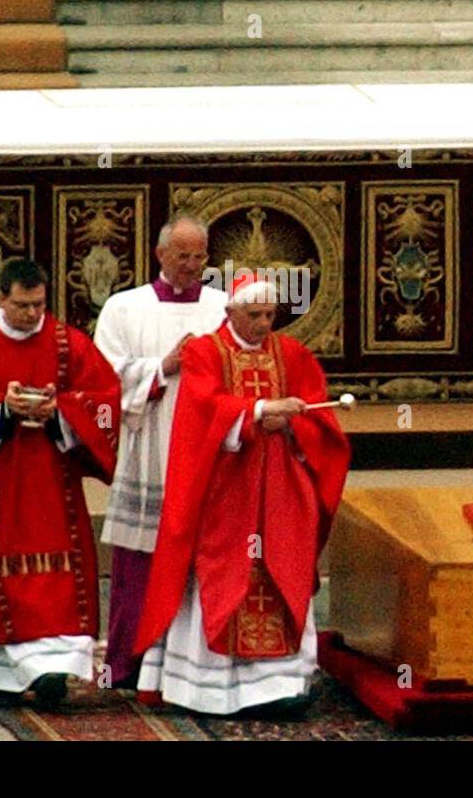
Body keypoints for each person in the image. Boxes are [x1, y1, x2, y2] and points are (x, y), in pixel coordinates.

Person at [134, 272, 350, 715]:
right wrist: (256, 413)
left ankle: (279, 685)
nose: (263, 324)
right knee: (225, 577)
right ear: (230, 312)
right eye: (253, 315)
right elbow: (202, 409)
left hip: (280, 492)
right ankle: (211, 689)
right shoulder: (204, 352)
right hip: (223, 492)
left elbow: (316, 411)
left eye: (270, 314)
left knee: (280, 572)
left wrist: (294, 419)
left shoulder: (291, 354)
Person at [0, 258, 121, 706]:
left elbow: (106, 400)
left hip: (50, 480)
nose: (33, 315)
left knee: (56, 575)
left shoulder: (68, 344)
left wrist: (64, 411)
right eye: (22, 306)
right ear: (1, 299)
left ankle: (51, 670)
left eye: (39, 305)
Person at [92, 216, 228, 688]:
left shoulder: (223, 308)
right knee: (142, 563)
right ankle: (129, 664)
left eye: (199, 257)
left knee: (204, 561)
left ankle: (196, 665)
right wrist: (163, 367)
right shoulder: (124, 307)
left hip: (205, 451)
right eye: (182, 256)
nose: (191, 266)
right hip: (150, 444)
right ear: (160, 254)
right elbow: (103, 378)